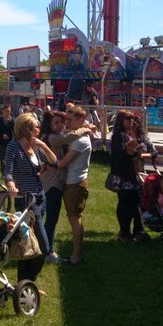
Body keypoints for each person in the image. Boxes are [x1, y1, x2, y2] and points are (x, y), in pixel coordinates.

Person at [3, 113, 58, 284]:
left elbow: (54, 163)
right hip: (26, 200)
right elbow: (8, 172)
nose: (38, 130)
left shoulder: (35, 147)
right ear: (26, 129)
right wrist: (11, 186)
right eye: (36, 127)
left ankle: (26, 283)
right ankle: (27, 282)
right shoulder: (13, 147)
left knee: (28, 243)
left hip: (40, 197)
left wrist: (44, 145)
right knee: (43, 246)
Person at [39, 110, 91, 263]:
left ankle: (45, 250)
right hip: (53, 183)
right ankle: (47, 251)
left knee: (52, 218)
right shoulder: (51, 137)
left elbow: (67, 136)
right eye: (57, 122)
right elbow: (68, 138)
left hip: (59, 181)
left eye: (62, 121)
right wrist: (84, 128)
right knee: (51, 218)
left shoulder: (56, 136)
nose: (62, 124)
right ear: (48, 124)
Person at [56, 106, 93, 265]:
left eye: (70, 120)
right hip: (73, 182)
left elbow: (62, 163)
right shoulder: (78, 136)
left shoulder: (81, 141)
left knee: (74, 219)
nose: (67, 123)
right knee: (74, 218)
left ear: (81, 120)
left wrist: (46, 162)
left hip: (75, 183)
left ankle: (76, 255)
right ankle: (77, 253)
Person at [108, 111, 147, 243]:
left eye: (132, 119)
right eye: (128, 119)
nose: (131, 121)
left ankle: (137, 231)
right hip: (123, 175)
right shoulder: (118, 136)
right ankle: (124, 232)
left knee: (136, 202)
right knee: (125, 203)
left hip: (132, 174)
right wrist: (132, 152)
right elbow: (120, 154)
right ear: (121, 121)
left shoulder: (129, 134)